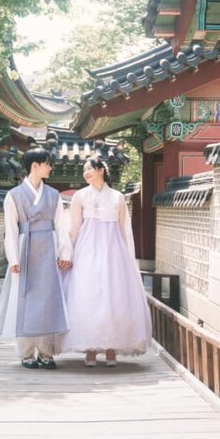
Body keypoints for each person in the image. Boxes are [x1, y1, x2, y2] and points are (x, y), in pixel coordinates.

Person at [59, 156, 152, 367]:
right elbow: (73, 229)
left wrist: (128, 256)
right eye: (84, 169)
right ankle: (90, 349)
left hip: (113, 251)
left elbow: (124, 229)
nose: (85, 172)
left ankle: (111, 349)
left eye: (89, 168)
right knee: (88, 295)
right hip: (87, 250)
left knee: (113, 296)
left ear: (101, 169)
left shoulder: (117, 197)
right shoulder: (80, 196)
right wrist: (66, 253)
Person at [0, 147, 73, 369]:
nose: (51, 167)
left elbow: (61, 226)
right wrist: (14, 259)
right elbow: (10, 229)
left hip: (48, 247)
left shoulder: (54, 195)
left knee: (48, 300)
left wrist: (64, 253)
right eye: (47, 163)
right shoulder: (14, 195)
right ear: (35, 165)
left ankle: (47, 353)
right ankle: (26, 353)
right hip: (24, 248)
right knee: (25, 300)